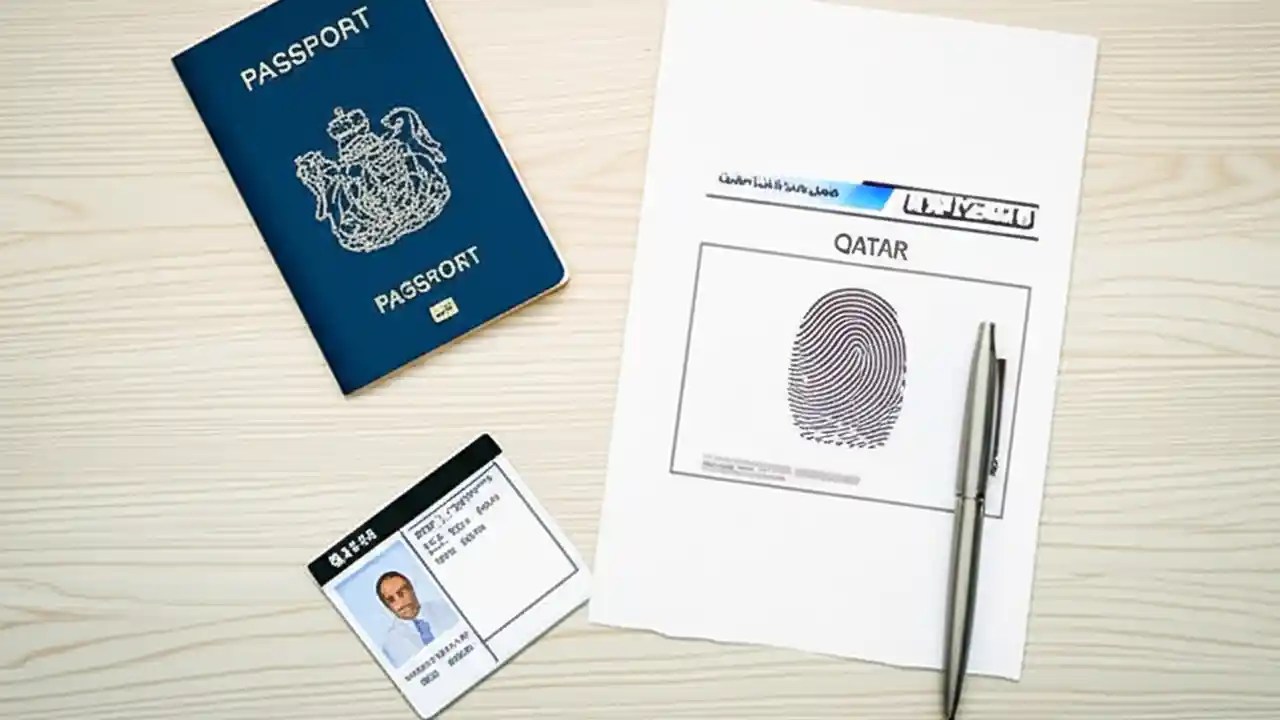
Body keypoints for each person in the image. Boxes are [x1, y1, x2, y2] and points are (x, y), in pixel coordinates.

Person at [376, 570, 451, 666]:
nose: (401, 603)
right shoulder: (391, 646)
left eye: (401, 593)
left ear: (412, 590)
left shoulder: (446, 608)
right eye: (391, 600)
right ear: (387, 606)